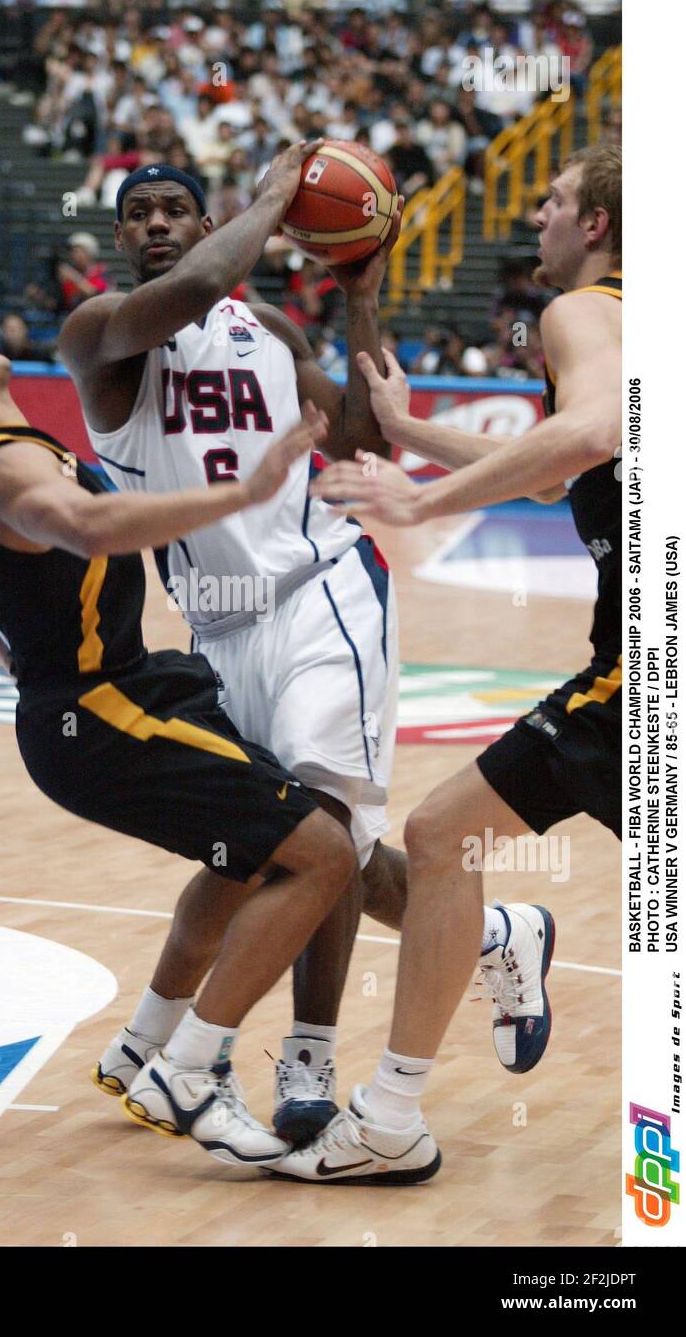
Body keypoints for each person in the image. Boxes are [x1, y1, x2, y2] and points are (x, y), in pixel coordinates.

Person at [61, 144, 522, 1146]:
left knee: (319, 827)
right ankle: (493, 932)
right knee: (288, 849)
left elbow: (361, 448)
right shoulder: (100, 335)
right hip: (219, 627)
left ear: (200, 217)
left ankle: (293, 1054)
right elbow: (196, 282)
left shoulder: (264, 325)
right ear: (118, 236)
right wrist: (272, 200)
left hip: (321, 590)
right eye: (136, 212)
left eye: (175, 209)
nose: (154, 223)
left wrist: (358, 296)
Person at [0, 327, 357, 1170]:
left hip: (100, 700)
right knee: (322, 855)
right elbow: (86, 523)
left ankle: (139, 1047)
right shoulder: (0, 465)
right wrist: (247, 489)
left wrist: (52, 688)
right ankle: (188, 1072)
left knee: (242, 856)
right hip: (105, 710)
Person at [271, 144, 620, 1183]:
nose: (540, 216)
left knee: (436, 833)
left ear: (595, 222)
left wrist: (416, 499)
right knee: (439, 834)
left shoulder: (583, 311)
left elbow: (594, 430)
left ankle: (388, 1115)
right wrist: (411, 431)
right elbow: (564, 471)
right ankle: (388, 1113)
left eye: (554, 200)